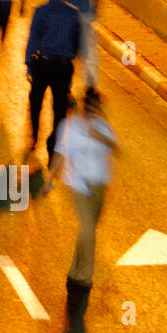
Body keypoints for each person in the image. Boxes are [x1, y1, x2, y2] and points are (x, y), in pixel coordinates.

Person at [41, 94, 119, 292]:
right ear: (87, 108)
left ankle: (75, 271)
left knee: (88, 230)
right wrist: (50, 181)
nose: (97, 112)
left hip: (99, 186)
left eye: (99, 109)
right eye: (93, 108)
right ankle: (85, 277)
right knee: (88, 232)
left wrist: (99, 135)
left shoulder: (103, 127)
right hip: (79, 186)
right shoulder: (72, 126)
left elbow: (116, 149)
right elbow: (60, 153)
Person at [24, 0, 83, 162]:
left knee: (36, 102)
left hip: (43, 64)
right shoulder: (74, 13)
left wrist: (29, 65)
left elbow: (33, 40)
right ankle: (53, 142)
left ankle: (34, 137)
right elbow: (78, 43)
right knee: (60, 108)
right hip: (64, 67)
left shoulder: (41, 11)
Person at [62, 0, 104, 100]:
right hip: (86, 14)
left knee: (68, 53)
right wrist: (96, 9)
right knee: (90, 53)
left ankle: (66, 88)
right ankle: (91, 87)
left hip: (69, 16)